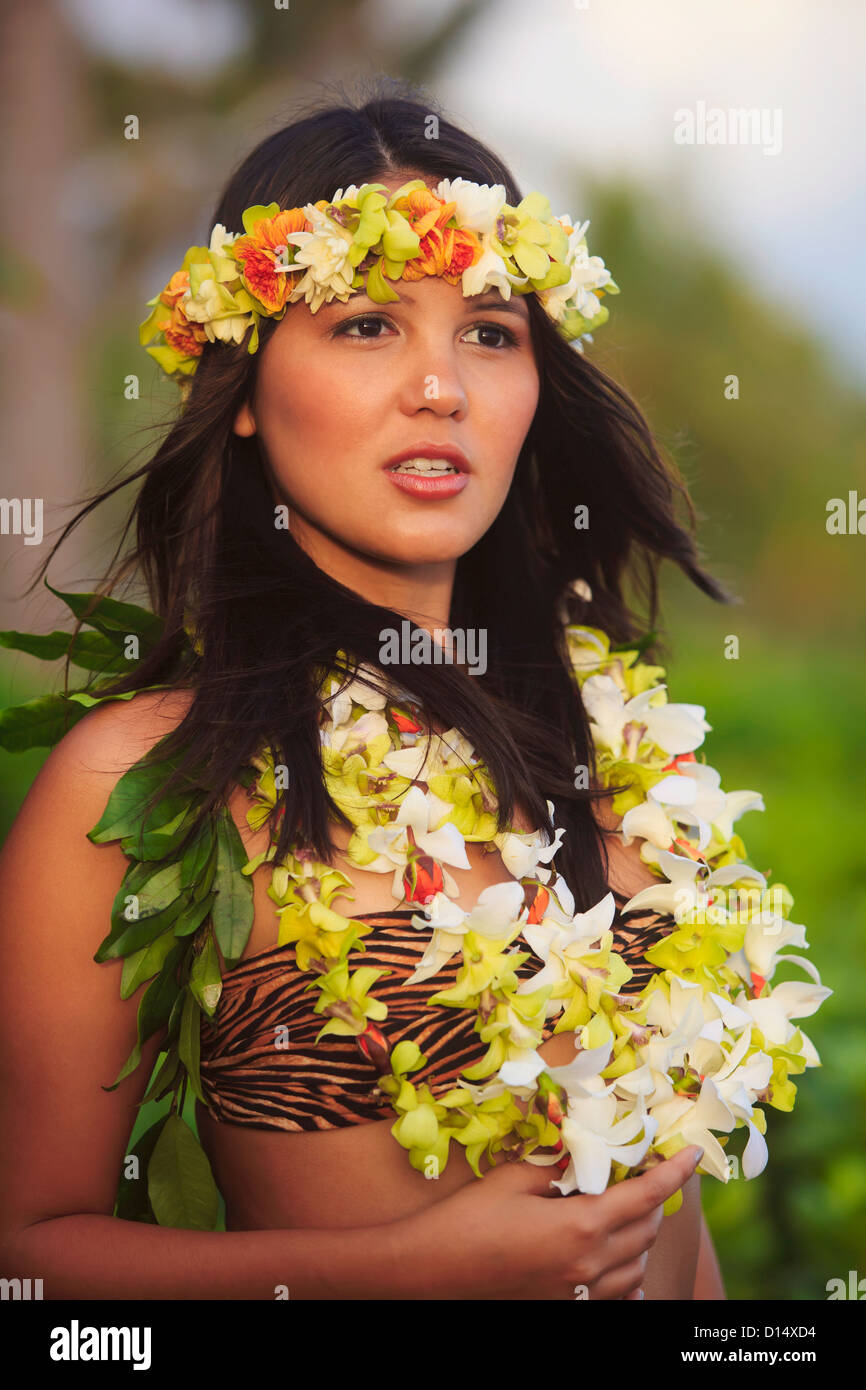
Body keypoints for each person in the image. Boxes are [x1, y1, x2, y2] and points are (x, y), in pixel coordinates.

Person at [0, 79, 760, 1301]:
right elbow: (27, 1263)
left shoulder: (611, 743)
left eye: (490, 330)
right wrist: (402, 1273)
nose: (440, 387)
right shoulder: (141, 776)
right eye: (365, 324)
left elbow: (669, 1238)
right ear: (242, 387)